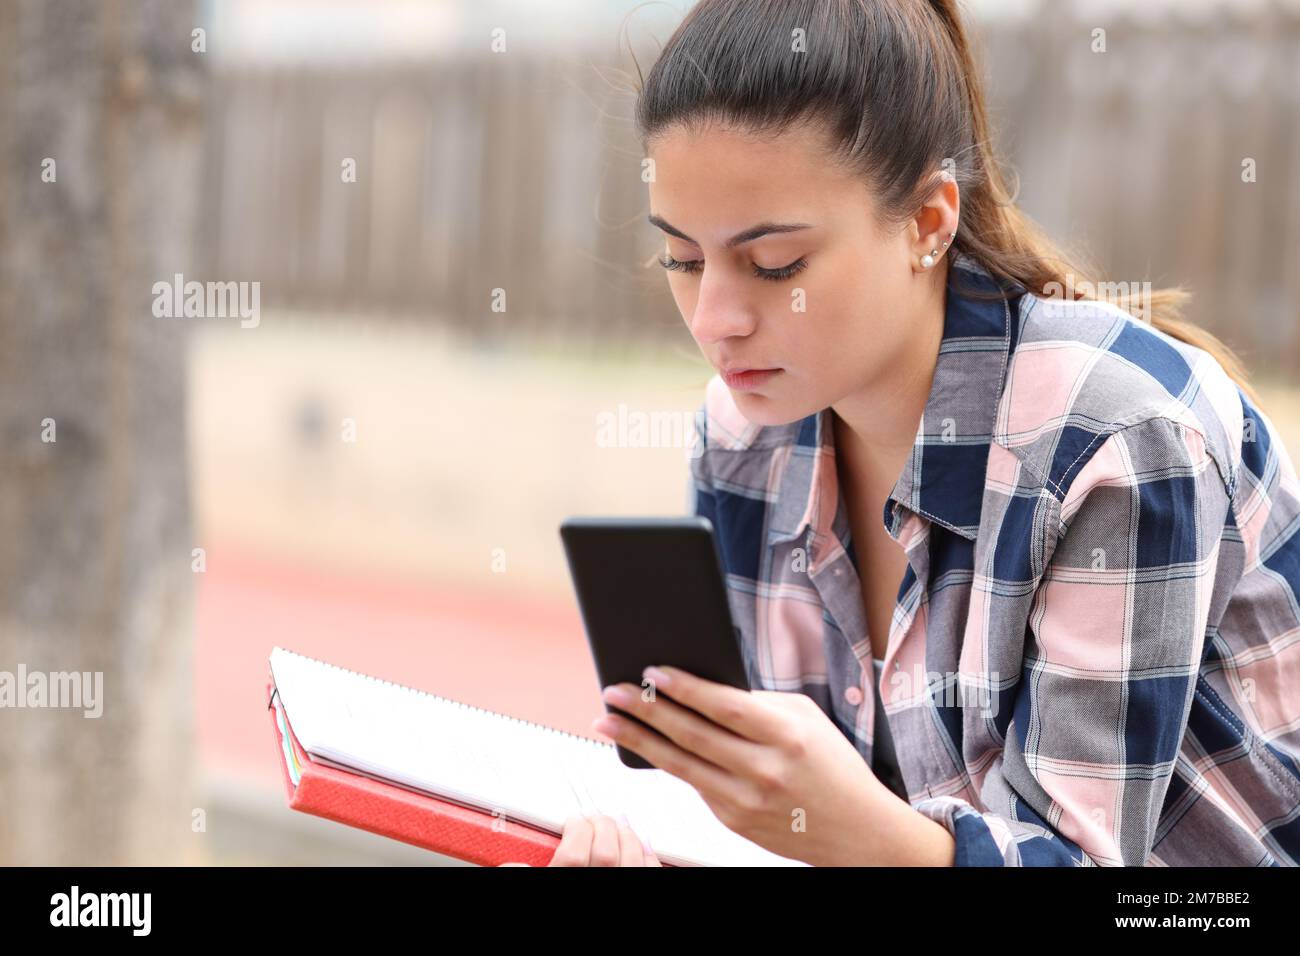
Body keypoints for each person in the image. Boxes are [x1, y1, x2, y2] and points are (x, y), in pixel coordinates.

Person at [532, 0, 1300, 867]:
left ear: (929, 222)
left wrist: (861, 832)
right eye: (682, 257)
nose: (715, 320)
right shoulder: (740, 437)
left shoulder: (1114, 435)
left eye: (775, 264)